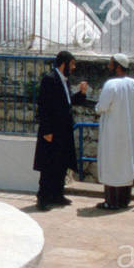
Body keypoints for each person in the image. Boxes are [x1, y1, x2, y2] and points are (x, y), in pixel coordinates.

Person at [33, 50, 89, 211]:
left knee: (61, 163)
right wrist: (47, 130)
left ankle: (57, 194)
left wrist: (81, 94)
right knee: (48, 165)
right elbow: (44, 106)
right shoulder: (50, 80)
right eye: (72, 64)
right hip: (52, 130)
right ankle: (43, 197)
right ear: (64, 64)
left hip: (63, 130)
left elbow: (67, 103)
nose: (74, 67)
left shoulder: (65, 81)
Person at [94, 53, 134, 210]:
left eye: (111, 64)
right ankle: (124, 200)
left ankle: (111, 202)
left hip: (114, 133)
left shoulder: (111, 85)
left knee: (112, 166)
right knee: (126, 165)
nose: (108, 67)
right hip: (131, 133)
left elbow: (102, 106)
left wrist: (97, 108)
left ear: (117, 66)